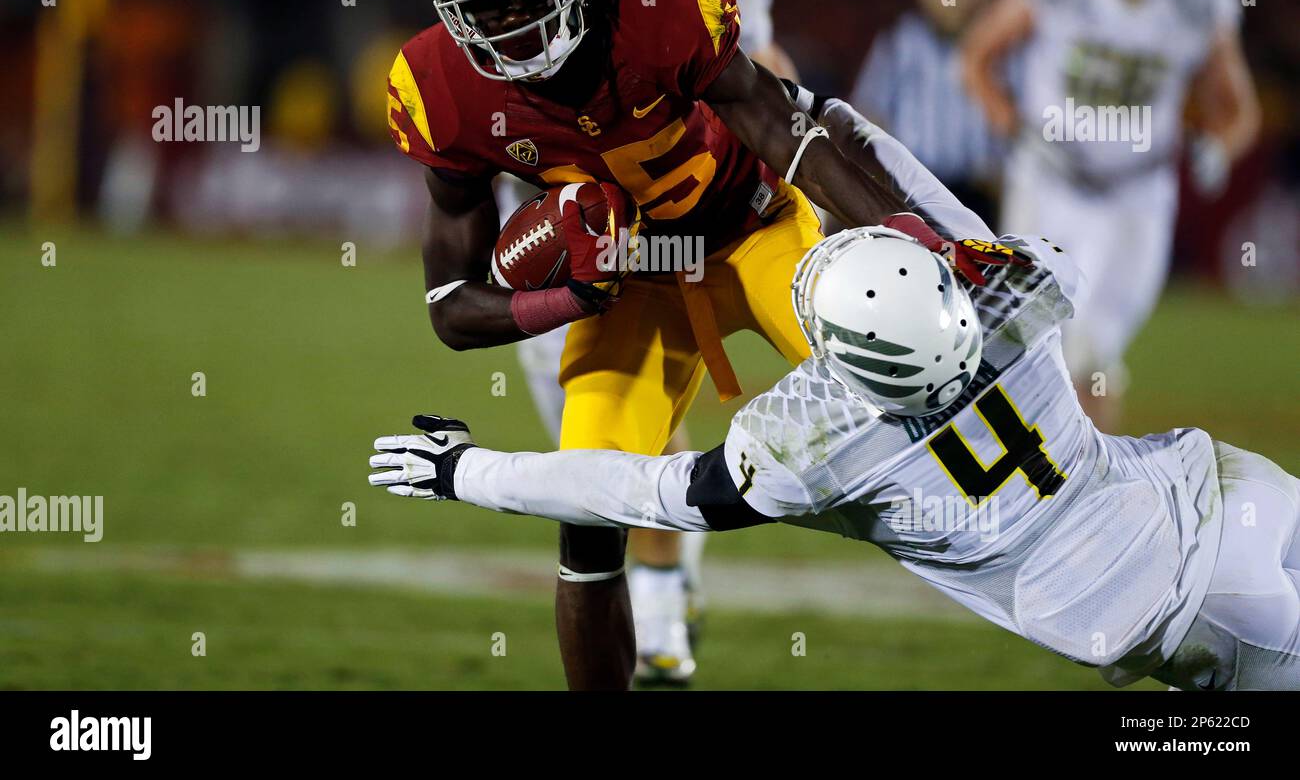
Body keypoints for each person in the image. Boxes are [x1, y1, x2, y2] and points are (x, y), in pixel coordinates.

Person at [369, 97, 1300, 691]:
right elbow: (922, 199)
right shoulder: (1002, 286)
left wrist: (465, 472)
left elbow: (629, 489)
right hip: (1227, 489)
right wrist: (818, 115)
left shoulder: (820, 439)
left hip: (1173, 614)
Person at [385, 0, 1009, 689]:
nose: (515, 23)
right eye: (488, 8)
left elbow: (784, 127)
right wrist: (572, 298)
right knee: (585, 514)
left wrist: (903, 232)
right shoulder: (439, 91)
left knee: (931, 389)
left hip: (755, 227)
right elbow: (450, 311)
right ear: (452, 13)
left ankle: (1057, 528)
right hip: (636, 279)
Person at [497, 0, 802, 684]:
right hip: (566, 233)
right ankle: (666, 585)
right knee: (580, 444)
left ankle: (663, 609)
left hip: (694, 227)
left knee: (625, 445)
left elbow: (767, 73)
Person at [962, 0, 1260, 431]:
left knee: (1095, 346)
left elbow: (1237, 108)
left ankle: (1090, 479)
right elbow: (977, 57)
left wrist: (1220, 147)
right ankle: (1034, 475)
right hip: (1049, 179)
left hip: (1135, 191)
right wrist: (1010, 124)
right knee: (1025, 336)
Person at [850, 0, 1007, 225]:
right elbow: (866, 119)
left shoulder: (1005, 47)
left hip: (986, 196)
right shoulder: (900, 46)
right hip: (915, 192)